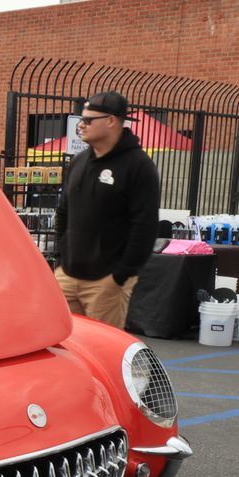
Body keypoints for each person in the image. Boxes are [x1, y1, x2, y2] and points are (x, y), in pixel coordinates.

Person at [54, 91, 160, 329]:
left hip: (106, 282)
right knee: (63, 345)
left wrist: (120, 276)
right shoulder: (79, 161)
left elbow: (145, 227)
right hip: (67, 276)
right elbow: (63, 212)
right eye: (81, 119)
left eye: (89, 120)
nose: (81, 125)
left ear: (111, 121)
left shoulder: (139, 166)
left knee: (103, 353)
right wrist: (62, 259)